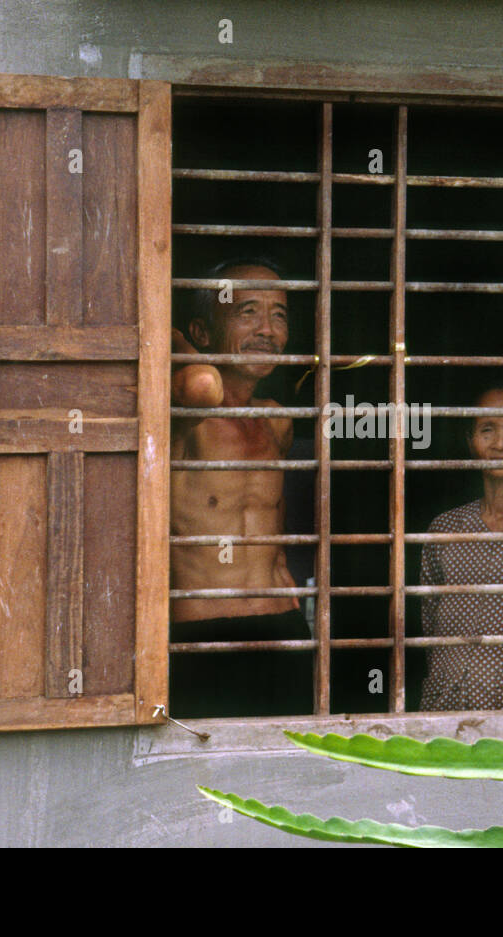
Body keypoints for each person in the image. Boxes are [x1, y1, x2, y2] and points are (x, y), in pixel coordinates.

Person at [168, 258, 313, 718]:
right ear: (202, 332)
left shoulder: (278, 421)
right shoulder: (186, 421)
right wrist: (172, 335)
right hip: (206, 632)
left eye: (279, 315)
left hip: (281, 626)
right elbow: (205, 384)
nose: (267, 330)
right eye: (248, 311)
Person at [418, 384, 503, 711]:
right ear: (470, 441)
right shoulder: (445, 528)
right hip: (443, 702)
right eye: (487, 430)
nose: (501, 444)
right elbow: (429, 620)